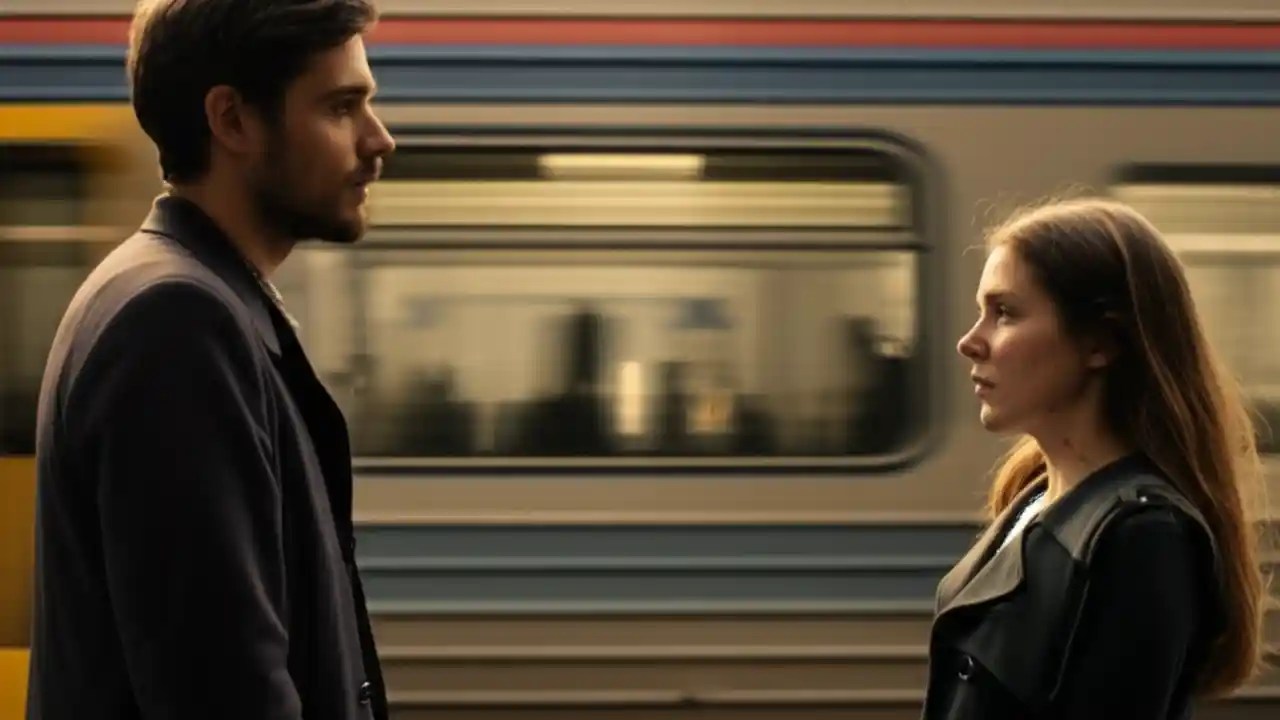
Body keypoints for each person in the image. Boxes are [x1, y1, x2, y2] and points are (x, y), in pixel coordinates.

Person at [26, 0, 396, 718]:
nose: (379, 139)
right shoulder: (175, 325)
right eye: (341, 106)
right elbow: (225, 691)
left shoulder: (185, 298)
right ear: (232, 120)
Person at [924, 198, 1272, 719]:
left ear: (1100, 344)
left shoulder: (1143, 533)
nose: (970, 342)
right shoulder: (1037, 499)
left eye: (1006, 313)